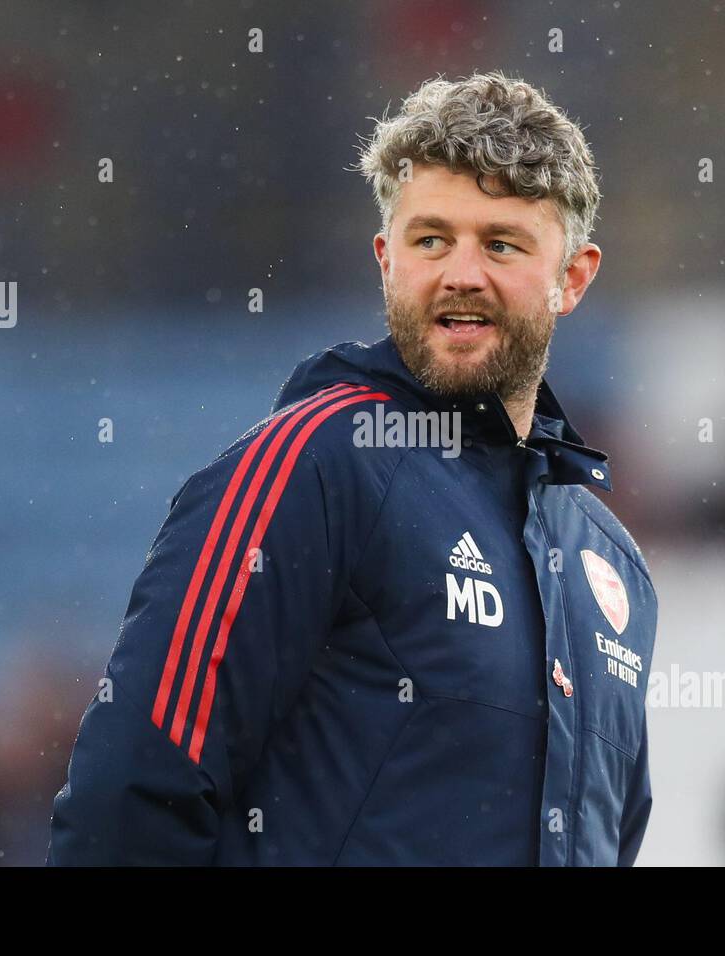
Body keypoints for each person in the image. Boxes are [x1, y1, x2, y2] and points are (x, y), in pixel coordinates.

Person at [48, 70, 659, 866]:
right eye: (430, 238)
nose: (461, 273)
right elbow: (128, 796)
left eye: (501, 243)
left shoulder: (613, 571)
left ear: (571, 279)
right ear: (385, 259)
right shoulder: (313, 466)